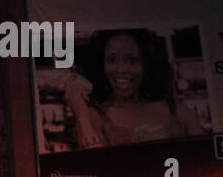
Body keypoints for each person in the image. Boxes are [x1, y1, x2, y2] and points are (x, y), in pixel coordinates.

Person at [64, 28, 203, 150]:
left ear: (147, 63)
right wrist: (82, 116)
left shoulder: (177, 110)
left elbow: (207, 160)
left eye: (132, 60)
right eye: (111, 60)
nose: (122, 70)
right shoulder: (95, 117)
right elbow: (97, 171)